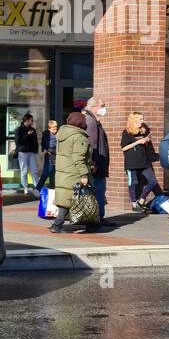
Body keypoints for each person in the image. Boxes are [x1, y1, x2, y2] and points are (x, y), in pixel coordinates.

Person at [49, 111, 95, 234]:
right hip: (74, 172)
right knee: (83, 197)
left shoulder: (62, 134)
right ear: (80, 123)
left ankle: (89, 223)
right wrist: (84, 174)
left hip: (64, 171)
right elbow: (78, 158)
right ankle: (58, 224)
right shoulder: (79, 137)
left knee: (67, 198)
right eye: (84, 121)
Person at [121, 112, 162, 212]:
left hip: (144, 161)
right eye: (140, 119)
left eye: (142, 119)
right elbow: (124, 148)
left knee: (153, 181)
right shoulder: (126, 132)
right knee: (133, 183)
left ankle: (141, 201)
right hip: (132, 162)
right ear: (133, 120)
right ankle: (134, 205)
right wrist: (138, 142)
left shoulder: (144, 130)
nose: (142, 121)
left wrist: (146, 140)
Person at [83, 95, 112, 227]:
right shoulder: (91, 121)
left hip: (98, 162)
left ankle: (98, 217)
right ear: (94, 107)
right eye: (102, 106)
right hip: (96, 164)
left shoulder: (93, 120)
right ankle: (97, 218)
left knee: (99, 191)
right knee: (98, 191)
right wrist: (93, 163)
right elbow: (92, 144)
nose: (104, 109)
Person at [14, 113, 39, 195]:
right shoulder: (19, 130)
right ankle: (25, 187)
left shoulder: (33, 130)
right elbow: (18, 142)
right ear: (27, 120)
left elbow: (35, 141)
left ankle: (37, 187)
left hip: (32, 153)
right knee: (24, 171)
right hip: (22, 152)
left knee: (34, 171)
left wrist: (36, 150)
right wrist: (27, 135)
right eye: (31, 120)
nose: (32, 122)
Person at [37, 118, 58, 190]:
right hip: (49, 155)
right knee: (46, 172)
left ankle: (53, 188)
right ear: (49, 128)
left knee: (54, 173)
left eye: (56, 129)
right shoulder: (45, 134)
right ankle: (38, 188)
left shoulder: (58, 134)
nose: (55, 131)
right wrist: (45, 150)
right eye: (53, 129)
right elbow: (43, 144)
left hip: (56, 155)